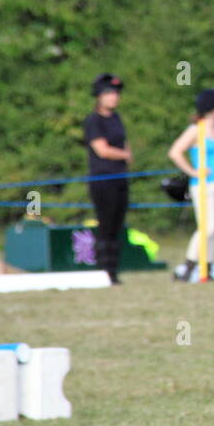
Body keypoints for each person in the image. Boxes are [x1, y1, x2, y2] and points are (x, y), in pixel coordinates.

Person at [167, 89, 214, 282]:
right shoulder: (196, 129)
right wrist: (193, 171)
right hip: (204, 185)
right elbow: (175, 152)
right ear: (212, 108)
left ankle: (207, 267)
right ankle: (188, 266)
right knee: (207, 226)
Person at [83, 73, 131, 286]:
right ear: (99, 96)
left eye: (116, 94)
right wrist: (124, 155)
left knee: (117, 225)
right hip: (103, 179)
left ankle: (114, 269)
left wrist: (126, 156)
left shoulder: (116, 118)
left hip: (121, 176)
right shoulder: (93, 120)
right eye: (109, 93)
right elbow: (102, 150)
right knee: (106, 225)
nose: (114, 98)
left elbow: (124, 142)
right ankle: (103, 270)